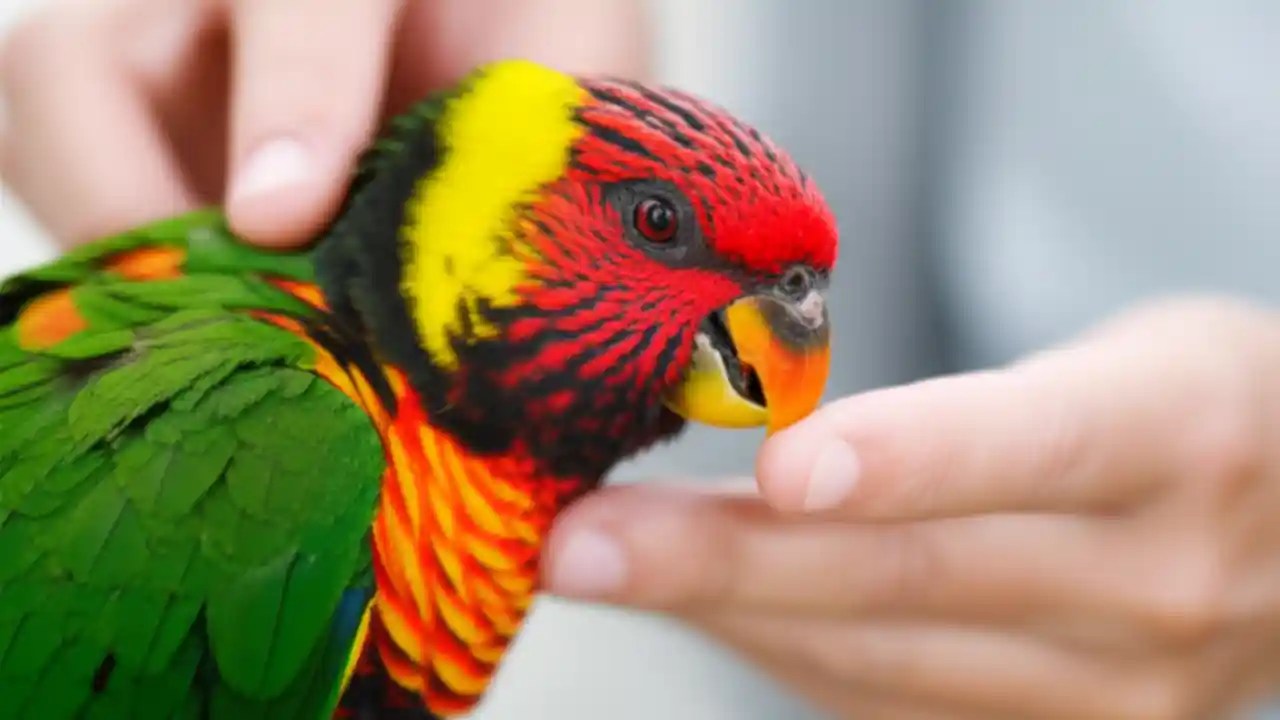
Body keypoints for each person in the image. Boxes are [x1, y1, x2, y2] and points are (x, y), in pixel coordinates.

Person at [4, 2, 1280, 719]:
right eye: (655, 227)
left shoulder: (455, 508)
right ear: (486, 227)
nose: (782, 325)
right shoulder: (288, 442)